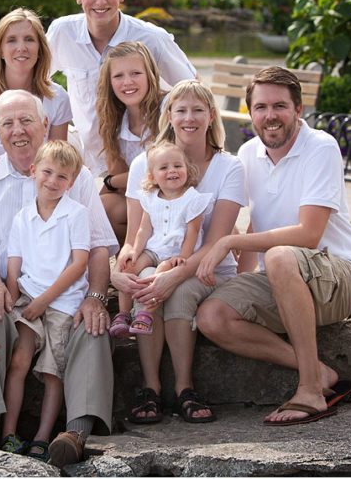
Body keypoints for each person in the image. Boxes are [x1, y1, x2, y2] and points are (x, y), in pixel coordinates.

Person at [195, 67, 351, 426]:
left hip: (339, 278)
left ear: (298, 110)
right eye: (260, 107)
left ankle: (309, 391)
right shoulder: (246, 153)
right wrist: (238, 283)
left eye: (279, 106)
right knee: (212, 315)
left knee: (279, 256)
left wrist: (230, 240)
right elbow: (260, 222)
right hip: (285, 276)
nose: (269, 116)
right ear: (250, 113)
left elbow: (308, 235)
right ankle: (319, 372)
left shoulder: (320, 147)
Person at [0, 90, 118, 468]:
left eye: (26, 120)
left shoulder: (75, 175)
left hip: (65, 294)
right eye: (7, 123)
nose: (18, 131)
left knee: (92, 320)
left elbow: (97, 246)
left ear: (46, 124)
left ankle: (76, 431)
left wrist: (97, 295)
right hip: (13, 290)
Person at [111, 80, 246, 424]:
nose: (189, 118)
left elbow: (216, 240)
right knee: (144, 282)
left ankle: (184, 387)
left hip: (209, 267)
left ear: (212, 116)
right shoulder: (146, 162)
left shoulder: (229, 167)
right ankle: (151, 387)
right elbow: (136, 232)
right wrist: (124, 261)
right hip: (156, 258)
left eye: (198, 110)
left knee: (181, 292)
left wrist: (174, 275)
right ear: (169, 115)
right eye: (181, 110)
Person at [46, 0, 196, 175]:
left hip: (144, 164)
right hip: (86, 165)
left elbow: (194, 89)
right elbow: (33, 78)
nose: (100, 0)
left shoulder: (151, 39)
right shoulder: (62, 33)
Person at [0, 140, 90, 462]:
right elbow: (14, 260)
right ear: (33, 170)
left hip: (62, 302)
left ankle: (41, 436)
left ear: (72, 182)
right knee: (20, 361)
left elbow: (79, 264)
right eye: (47, 172)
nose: (53, 181)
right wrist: (13, 295)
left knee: (53, 371)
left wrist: (45, 301)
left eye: (62, 177)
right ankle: (9, 432)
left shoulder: (75, 214)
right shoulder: (22, 216)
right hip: (29, 294)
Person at [109, 141, 211, 337]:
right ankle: (123, 314)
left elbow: (193, 231)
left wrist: (183, 256)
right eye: (164, 168)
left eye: (177, 166)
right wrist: (135, 252)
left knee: (161, 273)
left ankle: (146, 314)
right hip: (154, 249)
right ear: (152, 177)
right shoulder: (151, 198)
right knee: (127, 268)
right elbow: (143, 229)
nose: (172, 170)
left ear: (187, 170)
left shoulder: (193, 199)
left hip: (174, 254)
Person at [0, 8, 71, 164]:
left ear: (40, 49)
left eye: (29, 39)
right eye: (11, 40)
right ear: (0, 51)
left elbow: (59, 162)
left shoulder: (57, 97)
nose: (21, 47)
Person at [95, 41, 164, 241]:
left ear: (150, 74)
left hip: (173, 197)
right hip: (141, 199)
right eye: (118, 76)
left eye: (135, 73)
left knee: (103, 206)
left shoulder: (167, 109)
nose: (127, 82)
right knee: (100, 208)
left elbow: (165, 172)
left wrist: (111, 180)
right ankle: (126, 260)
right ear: (109, 82)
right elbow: (118, 181)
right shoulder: (113, 121)